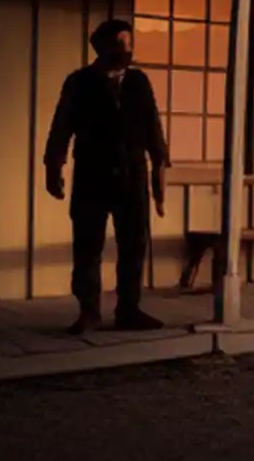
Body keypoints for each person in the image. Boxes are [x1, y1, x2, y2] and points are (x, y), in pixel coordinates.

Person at [44, 19, 168, 334]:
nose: (126, 52)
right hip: (92, 175)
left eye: (129, 45)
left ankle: (129, 308)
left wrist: (159, 173)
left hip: (132, 175)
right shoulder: (80, 82)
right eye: (120, 45)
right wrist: (53, 166)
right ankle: (89, 310)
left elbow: (153, 128)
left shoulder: (138, 82)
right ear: (102, 48)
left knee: (134, 243)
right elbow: (62, 125)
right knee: (87, 244)